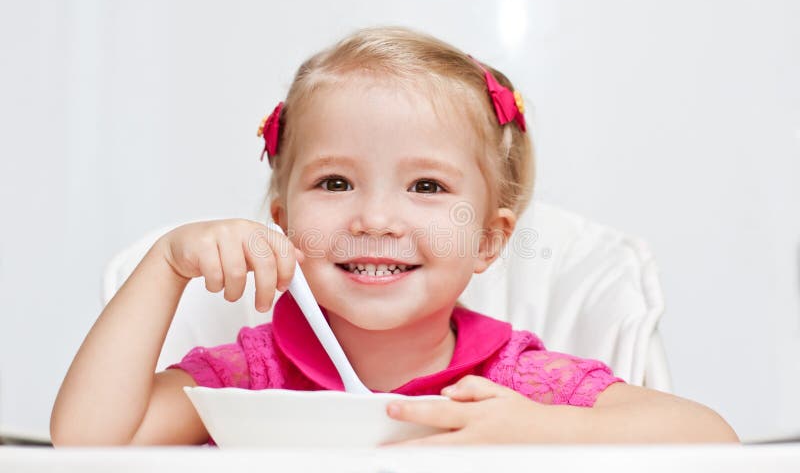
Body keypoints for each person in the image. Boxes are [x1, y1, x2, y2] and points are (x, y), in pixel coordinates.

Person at [50, 26, 739, 446]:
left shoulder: (513, 383)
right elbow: (87, 439)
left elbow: (712, 437)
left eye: (427, 187)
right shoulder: (254, 377)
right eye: (336, 183)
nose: (374, 219)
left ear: (488, 241)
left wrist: (539, 428)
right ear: (284, 224)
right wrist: (166, 266)